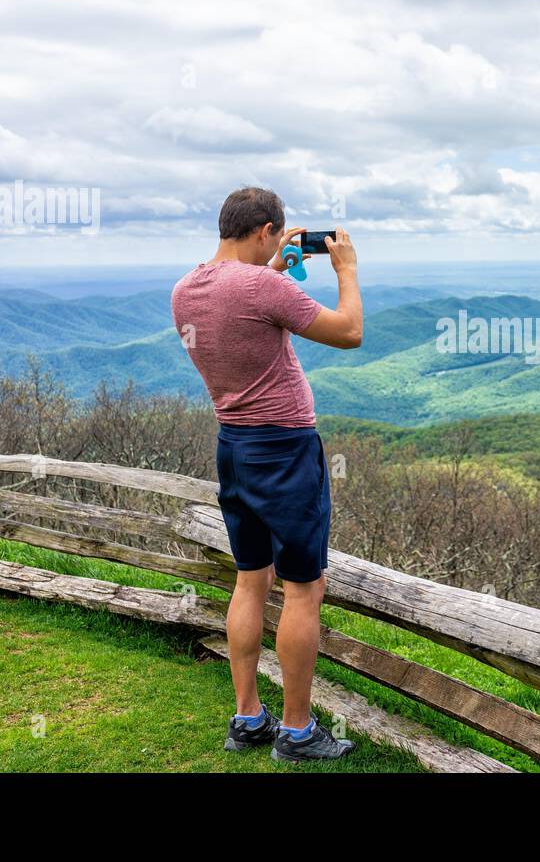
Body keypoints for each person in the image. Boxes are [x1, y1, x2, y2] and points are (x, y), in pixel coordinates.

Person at [171, 186, 362, 762]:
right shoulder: (263, 287)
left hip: (233, 447)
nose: (280, 244)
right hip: (284, 449)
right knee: (304, 587)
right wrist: (346, 270)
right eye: (277, 236)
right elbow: (349, 331)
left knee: (251, 578)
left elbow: (240, 316)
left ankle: (248, 717)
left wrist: (274, 270)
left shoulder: (186, 290)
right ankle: (298, 732)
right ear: (264, 230)